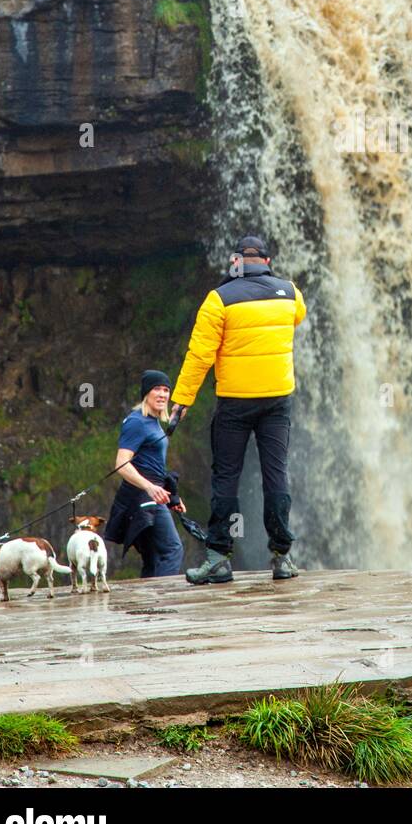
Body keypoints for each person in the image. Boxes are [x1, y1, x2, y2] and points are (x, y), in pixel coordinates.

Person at [168, 236, 307, 586]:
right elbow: (296, 320)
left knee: (226, 477)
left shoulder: (219, 300)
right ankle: (282, 557)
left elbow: (200, 355)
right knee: (276, 475)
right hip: (278, 398)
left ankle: (218, 557)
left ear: (235, 262)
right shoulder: (290, 293)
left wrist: (182, 401)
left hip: (235, 401)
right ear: (267, 260)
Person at [105, 371, 185, 578]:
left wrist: (171, 496)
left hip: (152, 495)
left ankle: (148, 606)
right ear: (145, 394)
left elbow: (153, 464)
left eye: (166, 390)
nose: (162, 394)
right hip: (143, 497)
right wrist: (150, 487)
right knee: (171, 550)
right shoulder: (137, 422)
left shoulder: (154, 422)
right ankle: (163, 601)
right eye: (156, 389)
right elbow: (121, 464)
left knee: (152, 556)